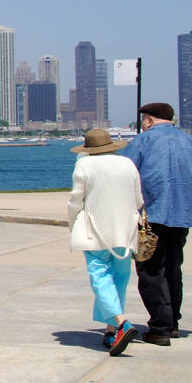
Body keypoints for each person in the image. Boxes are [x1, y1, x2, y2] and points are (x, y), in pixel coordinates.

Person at [120, 102, 192, 346]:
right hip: (183, 216)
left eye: (143, 121)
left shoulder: (143, 142)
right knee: (174, 266)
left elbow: (126, 175)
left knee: (151, 269)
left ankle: (160, 327)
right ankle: (173, 323)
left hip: (151, 216)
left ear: (149, 120)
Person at [67, 129, 143, 356]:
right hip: (125, 230)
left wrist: (73, 224)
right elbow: (138, 198)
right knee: (119, 278)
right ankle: (111, 331)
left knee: (99, 275)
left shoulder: (84, 166)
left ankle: (121, 323)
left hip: (96, 230)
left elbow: (75, 201)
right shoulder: (128, 164)